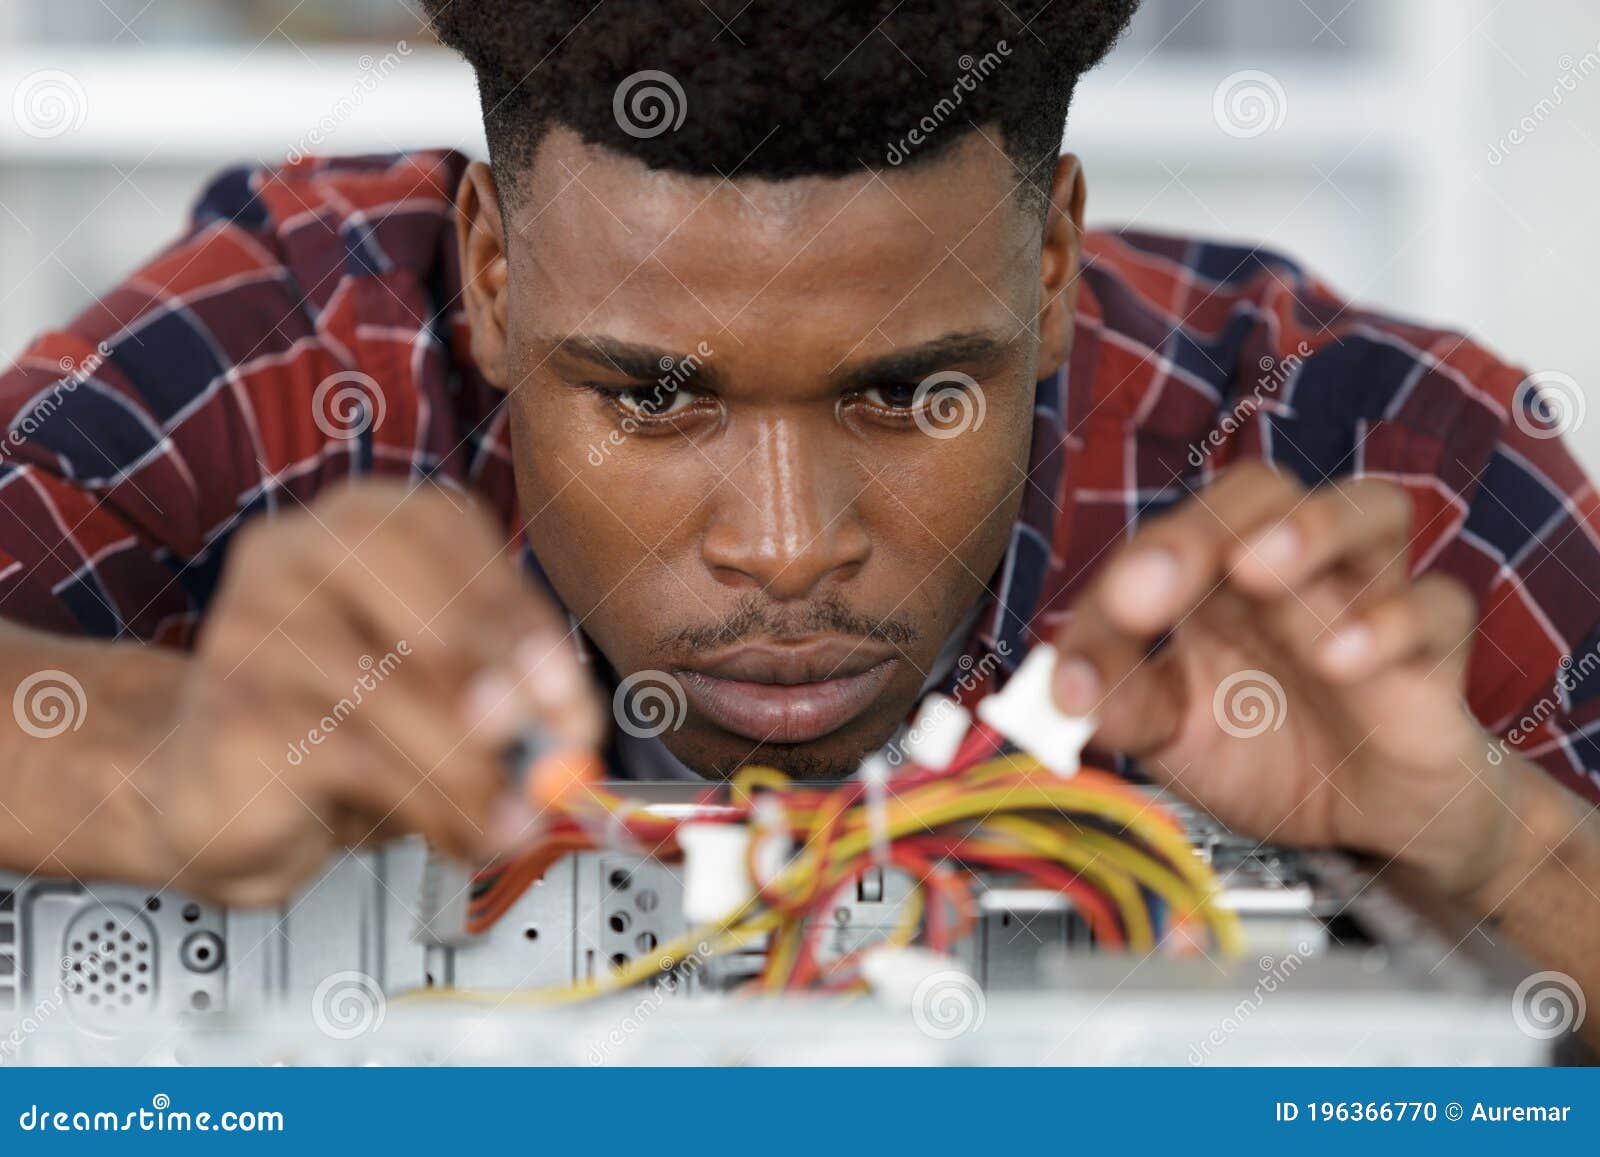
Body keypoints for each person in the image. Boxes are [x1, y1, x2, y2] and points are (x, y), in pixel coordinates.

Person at [0, 2, 1594, 1046]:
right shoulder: (284, 371)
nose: (782, 548)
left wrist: (1498, 842)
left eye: (907, 393)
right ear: (489, 269)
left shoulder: (1375, 462)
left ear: (1050, 269)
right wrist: (140, 755)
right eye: (651, 394)